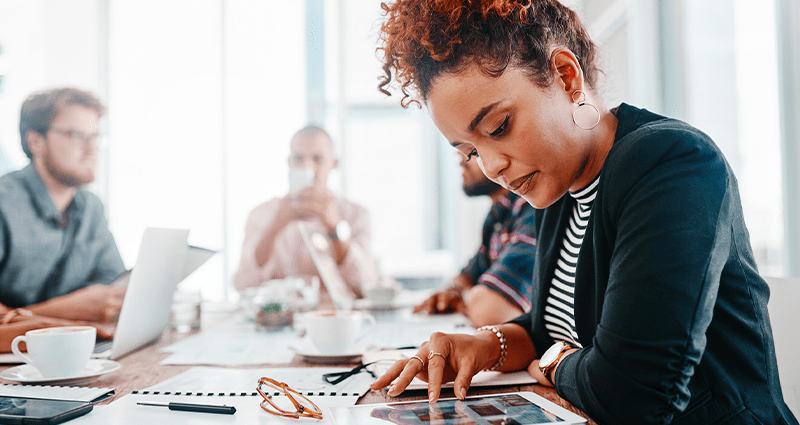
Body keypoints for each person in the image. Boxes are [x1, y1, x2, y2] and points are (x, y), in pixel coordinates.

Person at [369, 1, 798, 424]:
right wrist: (486, 345)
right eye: (470, 151)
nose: (492, 167)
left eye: (499, 127)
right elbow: (549, 331)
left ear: (566, 76)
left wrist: (555, 364)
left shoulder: (671, 162)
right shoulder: (560, 189)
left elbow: (632, 393)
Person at [0, 87, 126, 323]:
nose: (92, 149)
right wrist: (61, 312)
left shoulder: (91, 208)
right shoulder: (4, 203)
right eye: (78, 135)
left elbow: (113, 288)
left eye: (95, 137)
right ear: (36, 141)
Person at [235, 125, 379, 299]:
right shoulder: (261, 214)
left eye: (318, 159)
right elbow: (243, 285)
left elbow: (368, 285)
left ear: (334, 163)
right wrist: (275, 226)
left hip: (335, 313)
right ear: (289, 162)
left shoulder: (355, 214)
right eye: (298, 158)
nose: (307, 167)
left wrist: (335, 227)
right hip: (280, 314)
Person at [414, 154, 536, 326]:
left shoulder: (532, 208)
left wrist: (463, 299)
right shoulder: (498, 216)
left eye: (471, 151)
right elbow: (467, 275)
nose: (459, 157)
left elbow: (486, 307)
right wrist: (454, 291)